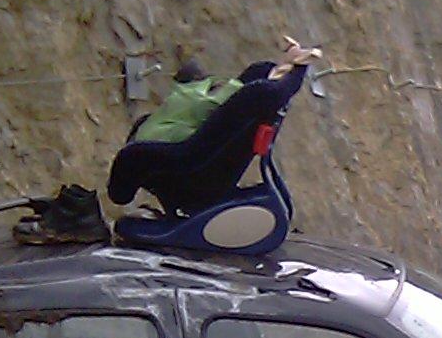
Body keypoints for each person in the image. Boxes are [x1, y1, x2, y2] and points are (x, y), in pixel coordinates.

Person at [105, 36, 321, 216]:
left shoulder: (245, 98)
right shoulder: (241, 97)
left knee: (132, 161)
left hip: (194, 179)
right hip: (191, 166)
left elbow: (265, 93)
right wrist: (294, 68)